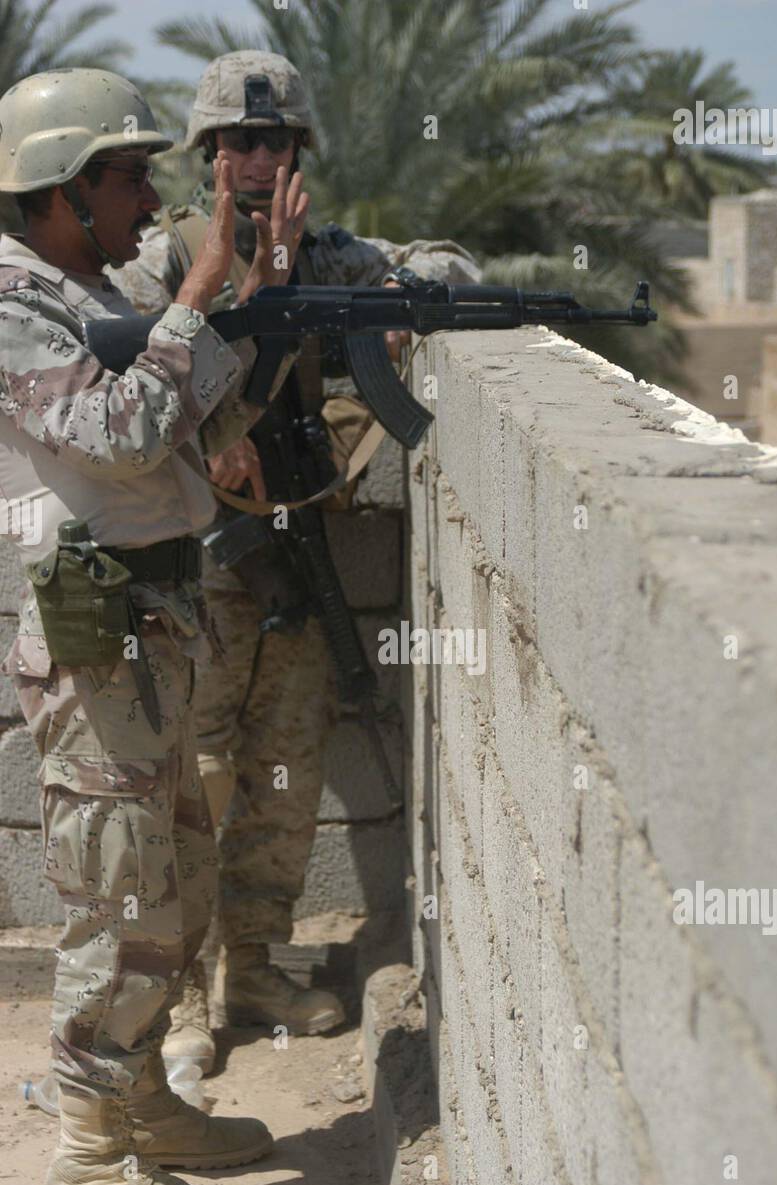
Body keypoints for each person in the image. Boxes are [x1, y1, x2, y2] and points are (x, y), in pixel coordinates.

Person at [111, 50, 481, 1072]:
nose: (256, 159)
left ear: (297, 151)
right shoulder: (162, 261)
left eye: (272, 141)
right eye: (237, 142)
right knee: (196, 776)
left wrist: (404, 298)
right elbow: (122, 383)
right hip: (196, 560)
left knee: (287, 770)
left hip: (294, 551)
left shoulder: (329, 258)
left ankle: (254, 966)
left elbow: (449, 265)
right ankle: (180, 998)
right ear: (209, 154)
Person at [0, 67, 310, 1185]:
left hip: (156, 627)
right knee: (119, 900)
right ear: (67, 188)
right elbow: (121, 433)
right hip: (94, 640)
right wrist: (199, 293)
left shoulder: (97, 285)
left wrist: (262, 301)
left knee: (168, 890)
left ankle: (144, 1111)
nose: (150, 192)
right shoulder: (16, 299)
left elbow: (201, 430)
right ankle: (88, 1155)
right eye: (128, 174)